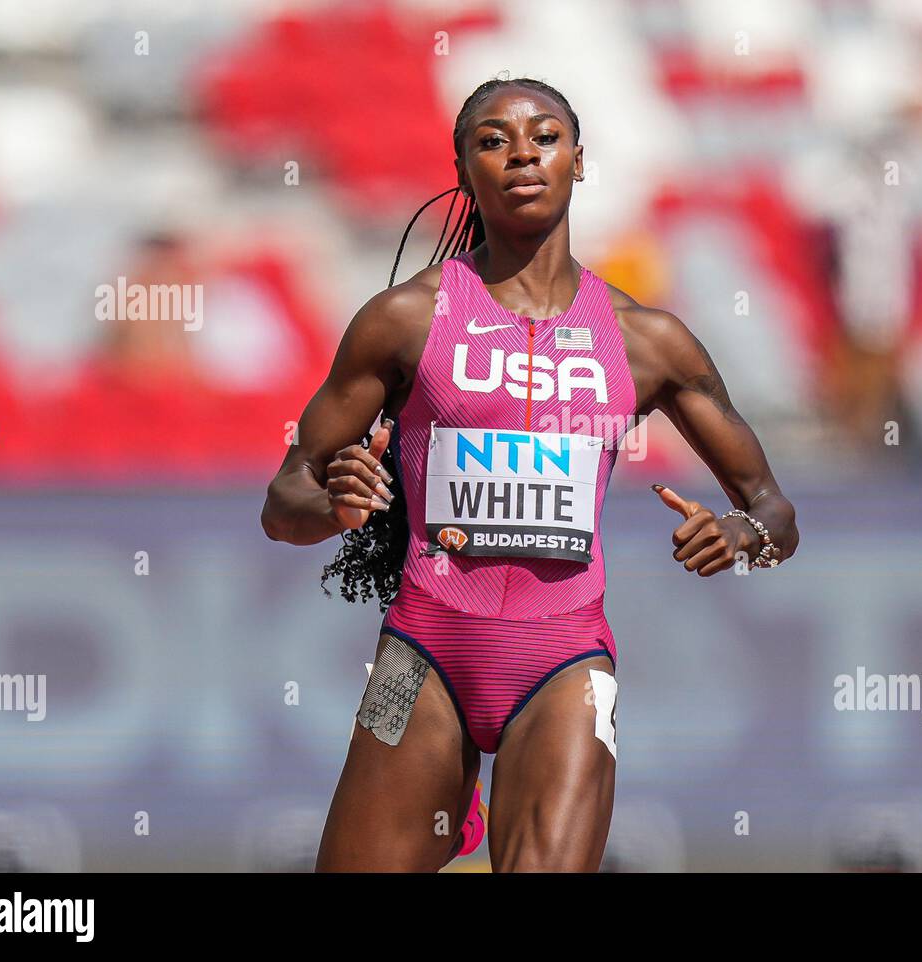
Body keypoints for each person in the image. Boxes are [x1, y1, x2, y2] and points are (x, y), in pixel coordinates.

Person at [260, 77, 798, 872]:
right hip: (424, 652)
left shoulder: (647, 340)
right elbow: (283, 501)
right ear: (462, 166)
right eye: (492, 140)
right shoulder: (404, 319)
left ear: (579, 161)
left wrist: (740, 535)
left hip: (565, 663)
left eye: (545, 137)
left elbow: (776, 516)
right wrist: (334, 506)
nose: (521, 154)